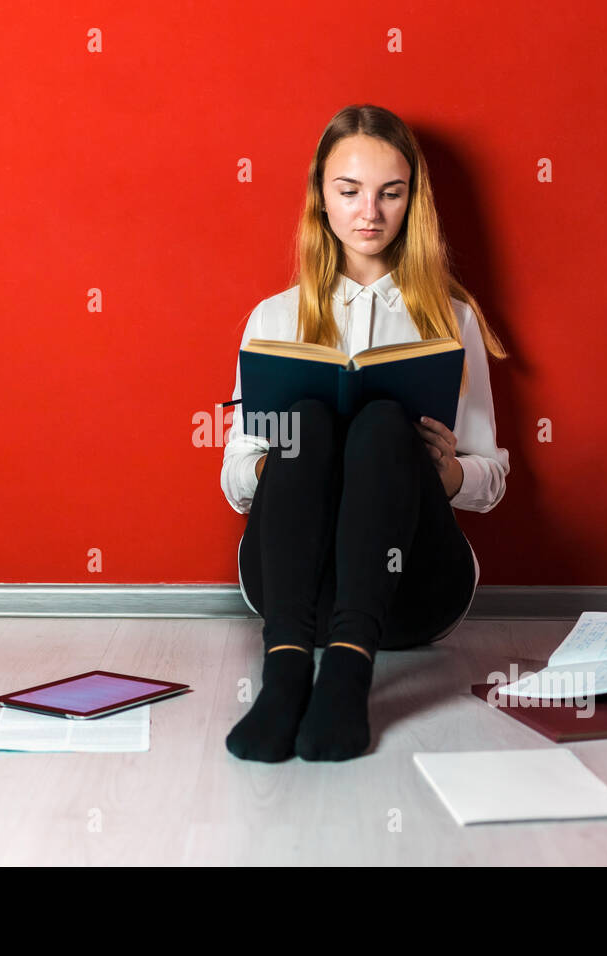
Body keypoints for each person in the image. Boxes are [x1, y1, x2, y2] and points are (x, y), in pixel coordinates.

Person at [220, 104, 511, 763]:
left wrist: (451, 473)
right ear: (321, 199)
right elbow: (235, 478)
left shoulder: (451, 317)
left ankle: (347, 677)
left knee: (382, 422)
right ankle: (286, 675)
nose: (369, 213)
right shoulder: (273, 317)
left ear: (414, 201)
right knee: (311, 425)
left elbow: (492, 475)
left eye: (391, 193)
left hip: (408, 592)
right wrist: (282, 462)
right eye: (349, 192)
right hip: (294, 591)